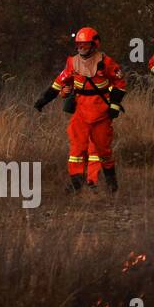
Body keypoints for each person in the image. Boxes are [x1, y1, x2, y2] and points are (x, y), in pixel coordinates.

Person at [34, 27, 127, 192]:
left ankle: (112, 184)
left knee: (103, 150)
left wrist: (114, 106)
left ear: (94, 44)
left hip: (101, 113)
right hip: (81, 112)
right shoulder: (72, 62)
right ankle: (76, 183)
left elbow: (119, 83)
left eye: (85, 45)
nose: (81, 49)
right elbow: (58, 83)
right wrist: (44, 99)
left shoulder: (106, 62)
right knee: (76, 149)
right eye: (79, 45)